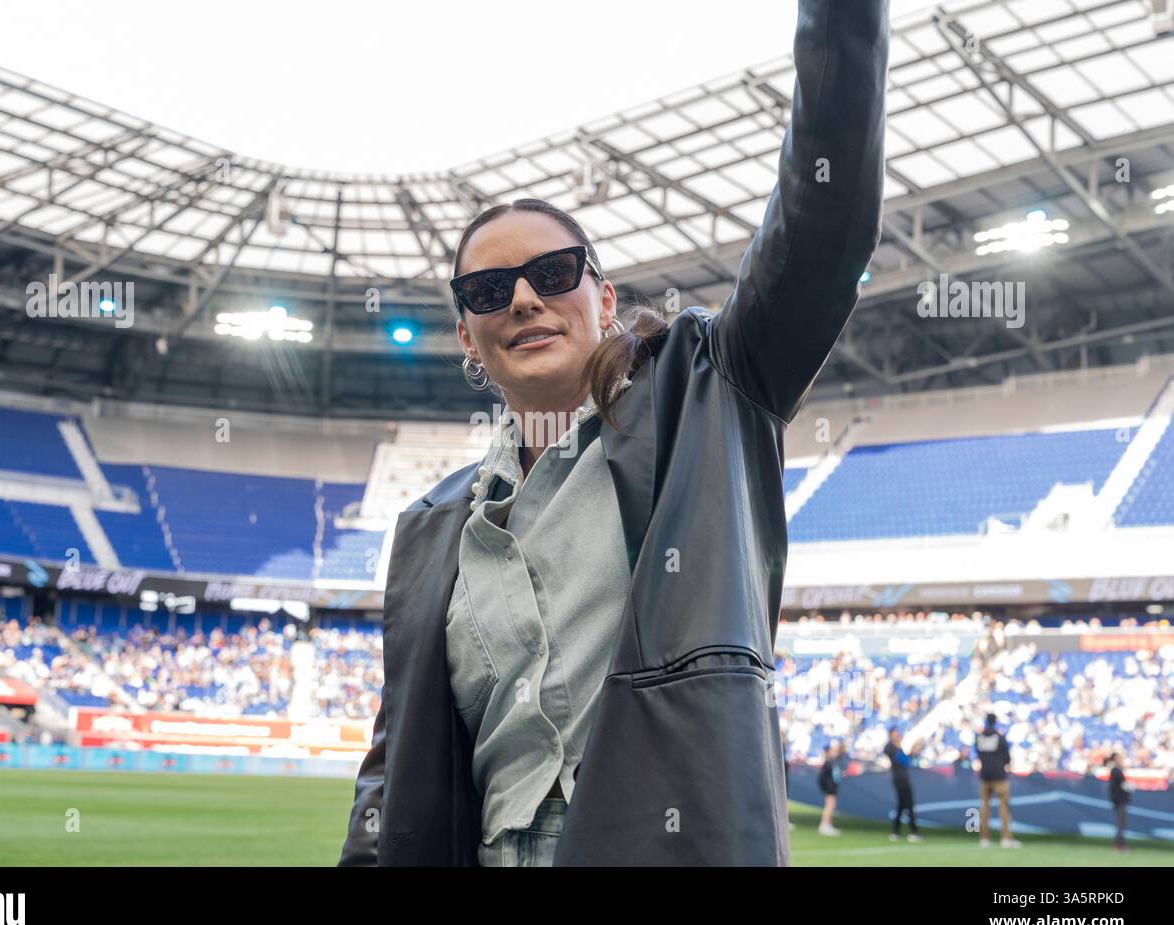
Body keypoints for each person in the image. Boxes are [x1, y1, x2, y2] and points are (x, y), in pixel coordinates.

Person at [337, 0, 889, 867]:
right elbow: (391, 764)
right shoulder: (427, 531)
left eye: (551, 275)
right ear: (467, 337)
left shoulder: (712, 391)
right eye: (487, 292)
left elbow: (823, 226)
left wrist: (841, 19)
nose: (522, 299)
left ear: (601, 297)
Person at [975, 713, 1020, 848]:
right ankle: (1005, 838)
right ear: (995, 722)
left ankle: (984, 839)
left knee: (984, 807)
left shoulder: (979, 738)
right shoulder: (1000, 738)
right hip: (999, 776)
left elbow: (978, 754)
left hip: (984, 776)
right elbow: (1007, 758)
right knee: (1004, 807)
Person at [884, 728, 923, 843]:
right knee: (909, 805)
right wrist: (911, 752)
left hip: (902, 779)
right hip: (901, 780)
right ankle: (914, 832)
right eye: (895, 734)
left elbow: (905, 760)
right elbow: (904, 761)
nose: (898, 736)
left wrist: (911, 752)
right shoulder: (890, 747)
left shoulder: (896, 747)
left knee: (901, 806)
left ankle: (896, 831)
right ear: (891, 735)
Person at [817, 741, 843, 836]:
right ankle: (824, 825)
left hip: (831, 787)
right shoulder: (828, 763)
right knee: (829, 806)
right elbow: (824, 778)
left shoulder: (831, 761)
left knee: (831, 805)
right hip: (830, 787)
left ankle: (828, 825)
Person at [1108, 751, 1133, 852]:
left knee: (1121, 823)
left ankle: (1120, 844)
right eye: (1119, 758)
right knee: (1120, 824)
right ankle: (1119, 845)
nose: (1121, 760)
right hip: (1120, 801)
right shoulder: (1116, 771)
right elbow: (1120, 786)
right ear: (1115, 759)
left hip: (1120, 800)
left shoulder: (1116, 770)